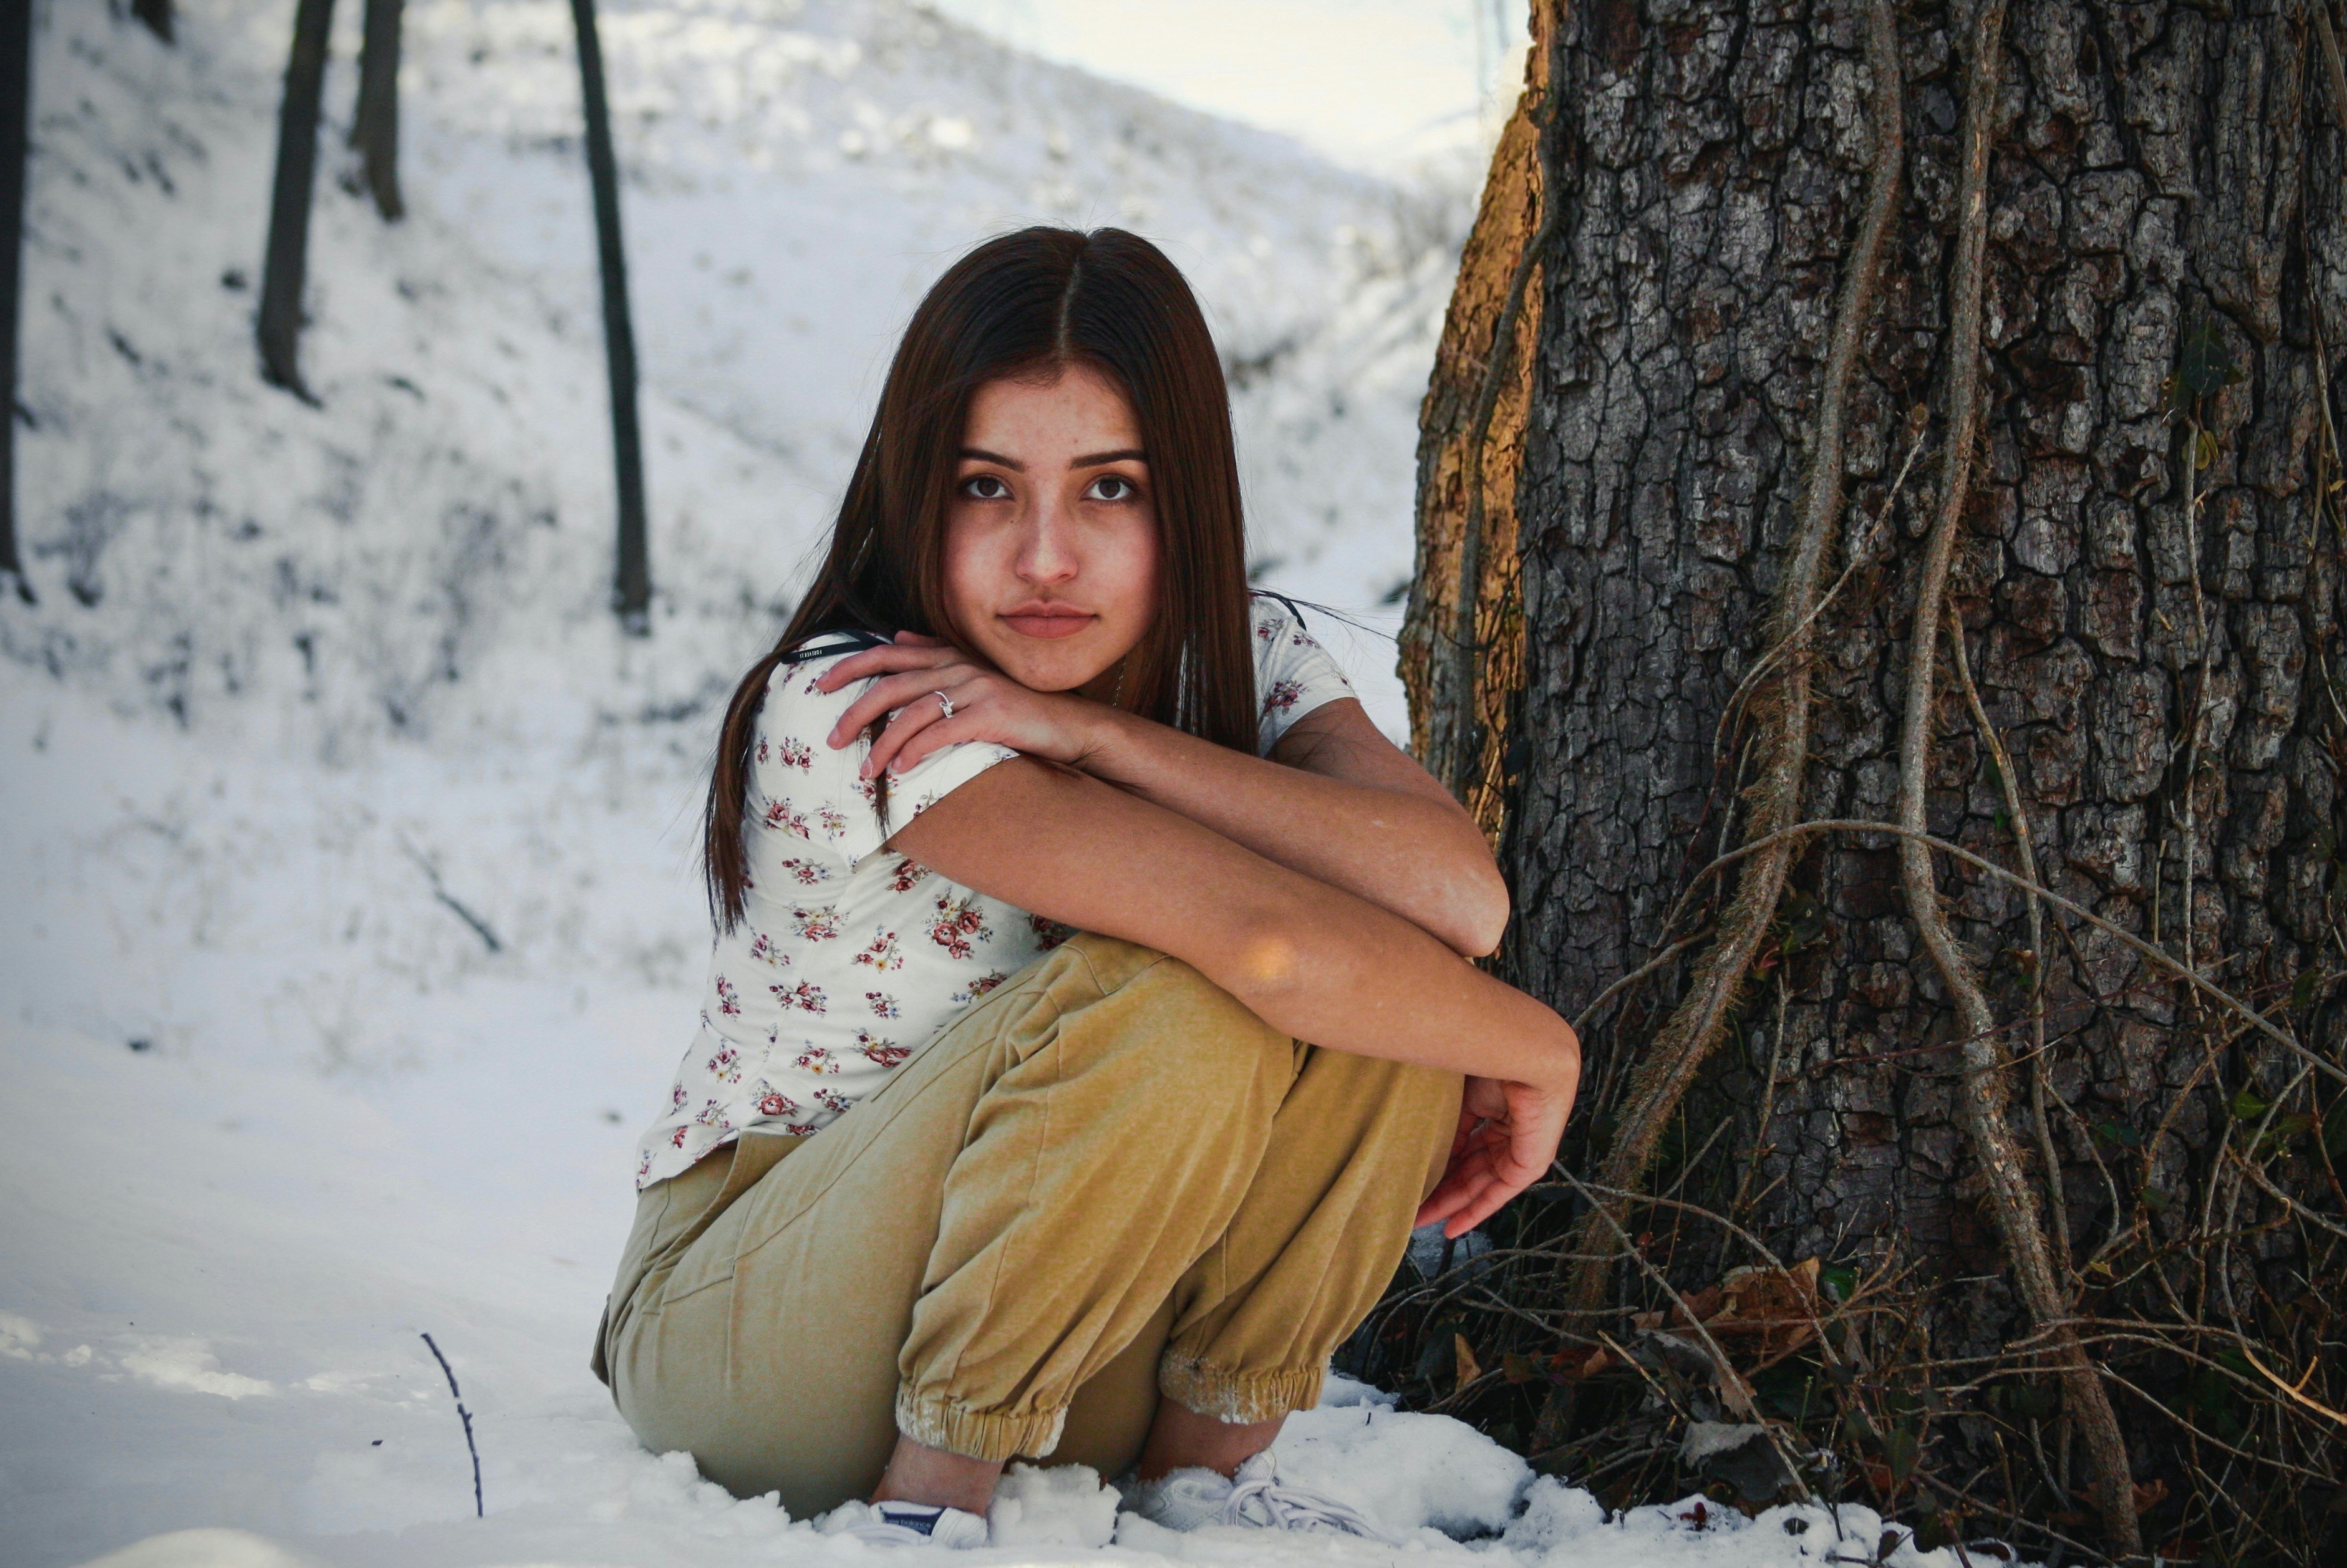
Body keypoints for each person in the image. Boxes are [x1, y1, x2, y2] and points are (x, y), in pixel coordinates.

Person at [592, 226, 1579, 1549]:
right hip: (763, 1344)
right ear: (911, 493)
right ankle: (928, 1512)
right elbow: (1267, 946)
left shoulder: (1247, 655)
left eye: (1108, 490)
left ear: (1187, 498)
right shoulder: (865, 699)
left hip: (1088, 1347)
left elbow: (1457, 901)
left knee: (1392, 990)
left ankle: (1202, 1491)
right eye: (985, 489)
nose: (1045, 557)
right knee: (1190, 989)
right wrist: (1541, 1048)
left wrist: (1110, 739)